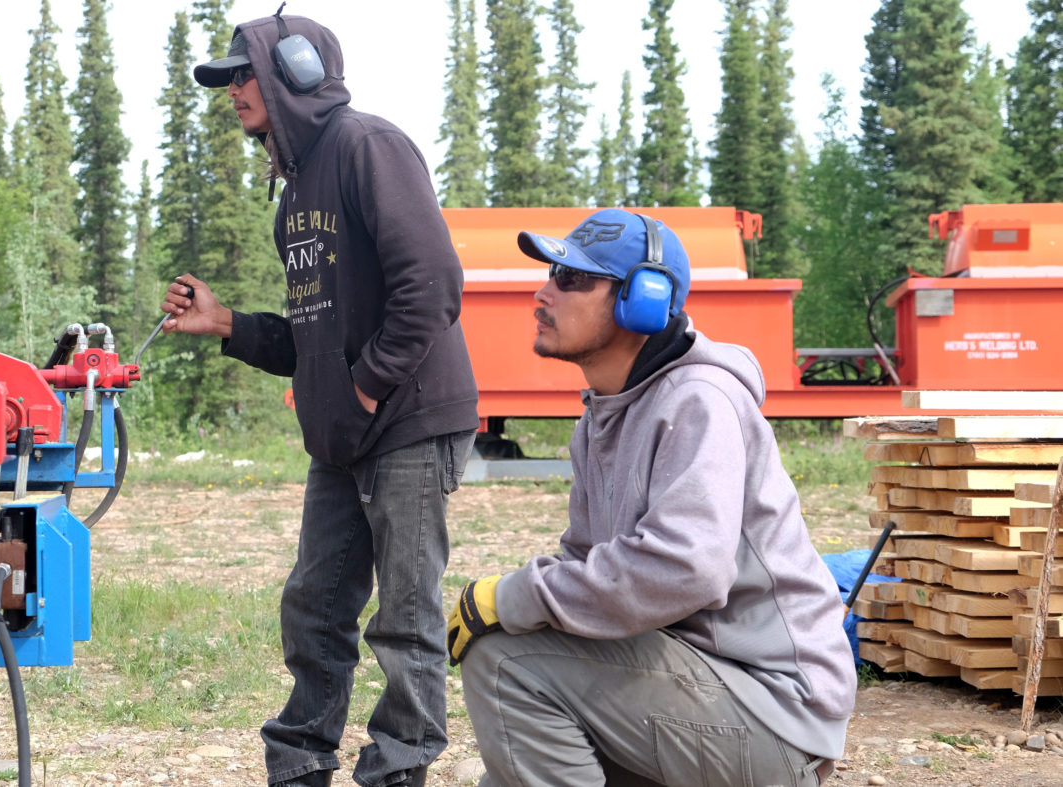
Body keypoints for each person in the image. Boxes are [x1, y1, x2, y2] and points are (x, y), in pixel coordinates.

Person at [163, 8, 479, 787]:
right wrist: (227, 323)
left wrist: (365, 387)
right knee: (314, 605)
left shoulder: (368, 146)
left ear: (295, 70)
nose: (234, 90)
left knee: (405, 615)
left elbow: (433, 287)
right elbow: (314, 338)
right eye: (229, 78)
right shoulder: (295, 193)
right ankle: (302, 759)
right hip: (345, 434)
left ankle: (399, 767)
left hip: (407, 420)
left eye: (245, 73)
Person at [446, 208, 856, 786]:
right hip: (702, 681)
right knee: (515, 758)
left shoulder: (699, 401)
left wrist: (515, 596)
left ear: (642, 299)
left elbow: (686, 569)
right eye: (551, 275)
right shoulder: (600, 419)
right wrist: (518, 603)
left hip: (774, 713)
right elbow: (586, 561)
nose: (543, 294)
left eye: (571, 279)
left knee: (506, 662)